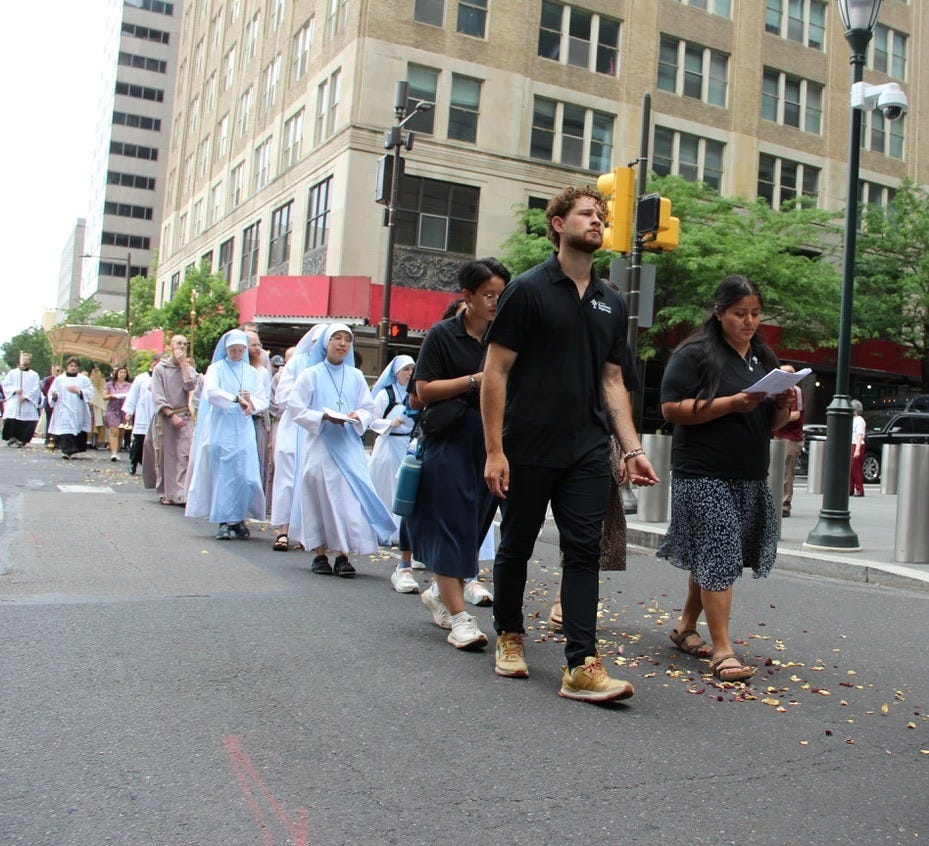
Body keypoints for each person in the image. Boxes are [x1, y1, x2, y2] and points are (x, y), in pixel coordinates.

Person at [482, 186, 658, 703]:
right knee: (517, 543)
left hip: (587, 448)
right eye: (586, 213)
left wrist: (631, 448)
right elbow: (495, 371)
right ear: (558, 225)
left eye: (601, 215)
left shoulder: (611, 301)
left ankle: (581, 663)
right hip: (527, 443)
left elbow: (612, 380)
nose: (597, 220)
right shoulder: (527, 290)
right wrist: (495, 450)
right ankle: (509, 634)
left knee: (583, 550)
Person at [656, 275, 793, 683]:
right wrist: (730, 404)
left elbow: (774, 422)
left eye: (755, 313)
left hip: (749, 473)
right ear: (719, 313)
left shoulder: (763, 355)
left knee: (716, 551)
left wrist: (783, 402)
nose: (749, 322)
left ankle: (685, 626)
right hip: (703, 472)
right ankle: (722, 650)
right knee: (719, 552)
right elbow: (670, 409)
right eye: (739, 314)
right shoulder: (695, 352)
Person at [407, 258, 509, 650]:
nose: (495, 302)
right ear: (467, 295)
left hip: (493, 443)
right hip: (450, 439)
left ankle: (439, 592)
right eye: (488, 295)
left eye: (500, 295)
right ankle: (460, 619)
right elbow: (422, 391)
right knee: (451, 522)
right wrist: (474, 381)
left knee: (474, 525)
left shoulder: (506, 335)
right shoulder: (442, 335)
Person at [287, 323, 396, 577]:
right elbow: (296, 408)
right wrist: (323, 417)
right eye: (337, 338)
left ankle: (343, 554)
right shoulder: (310, 375)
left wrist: (357, 416)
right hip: (320, 446)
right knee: (319, 498)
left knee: (347, 502)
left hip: (347, 447)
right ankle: (320, 553)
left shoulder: (356, 376)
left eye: (347, 339)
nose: (342, 343)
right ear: (326, 343)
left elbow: (368, 408)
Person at [185, 330, 268, 540]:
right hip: (221, 426)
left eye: (240, 350)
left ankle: (239, 518)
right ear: (226, 350)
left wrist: (251, 401)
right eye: (233, 350)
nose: (236, 354)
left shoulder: (252, 373)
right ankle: (223, 520)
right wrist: (234, 399)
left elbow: (263, 398)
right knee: (223, 475)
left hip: (243, 427)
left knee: (246, 475)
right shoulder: (216, 369)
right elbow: (211, 392)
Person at [270, 328, 324, 552]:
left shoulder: (332, 366)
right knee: (287, 477)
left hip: (318, 428)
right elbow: (282, 395)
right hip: (294, 426)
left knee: (311, 479)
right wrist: (306, 396)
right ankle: (283, 529)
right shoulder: (297, 362)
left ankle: (308, 533)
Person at [368, 354, 418, 592]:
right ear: (396, 372)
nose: (409, 373)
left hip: (407, 445)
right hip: (388, 446)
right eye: (406, 369)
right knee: (386, 488)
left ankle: (400, 533)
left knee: (403, 491)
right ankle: (382, 529)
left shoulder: (415, 393)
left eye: (412, 369)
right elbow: (371, 419)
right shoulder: (385, 394)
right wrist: (389, 424)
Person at [144, 335, 198, 506]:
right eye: (178, 343)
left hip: (184, 414)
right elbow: (157, 395)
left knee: (185, 454)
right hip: (166, 417)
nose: (182, 346)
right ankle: (166, 492)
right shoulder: (160, 369)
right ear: (171, 346)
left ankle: (181, 493)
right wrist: (170, 414)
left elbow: (190, 386)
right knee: (166, 456)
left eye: (185, 344)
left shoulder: (188, 368)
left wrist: (183, 364)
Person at [48, 357, 95, 459]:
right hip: (63, 408)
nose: (73, 368)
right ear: (67, 366)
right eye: (71, 366)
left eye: (75, 366)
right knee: (66, 431)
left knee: (77, 431)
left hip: (78, 409)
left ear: (78, 367)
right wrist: (54, 395)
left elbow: (90, 392)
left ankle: (72, 449)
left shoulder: (84, 379)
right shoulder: (59, 379)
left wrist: (79, 391)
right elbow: (53, 392)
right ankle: (67, 451)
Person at [773, 365, 804, 517]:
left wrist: (777, 416)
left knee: (786, 472)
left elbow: (797, 414)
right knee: (776, 471)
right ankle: (776, 503)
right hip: (778, 434)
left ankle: (785, 505)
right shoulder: (777, 389)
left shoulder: (795, 391)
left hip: (791, 437)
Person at [246, 330, 273, 498]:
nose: (257, 348)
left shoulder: (262, 372)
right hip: (236, 421)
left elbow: (265, 398)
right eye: (253, 345)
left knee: (257, 461)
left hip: (256, 420)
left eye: (259, 345)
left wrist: (252, 403)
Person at [2, 352, 42, 448]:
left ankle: (22, 439)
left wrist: (26, 397)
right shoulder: (12, 373)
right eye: (23, 359)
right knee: (12, 419)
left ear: (30, 361)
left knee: (27, 422)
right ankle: (12, 437)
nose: (25, 361)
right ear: (20, 360)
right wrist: (15, 390)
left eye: (27, 359)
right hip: (15, 400)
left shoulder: (34, 375)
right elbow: (6, 385)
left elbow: (36, 388)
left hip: (27, 402)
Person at [122, 362, 155, 475]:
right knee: (139, 440)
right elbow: (133, 395)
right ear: (152, 364)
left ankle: (151, 466)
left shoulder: (164, 377)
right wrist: (129, 411)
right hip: (143, 413)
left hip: (157, 413)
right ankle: (133, 463)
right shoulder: (141, 378)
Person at [102, 365, 132, 461]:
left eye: (124, 372)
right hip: (113, 409)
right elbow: (104, 396)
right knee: (114, 431)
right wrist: (112, 395)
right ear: (116, 373)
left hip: (124, 410)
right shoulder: (110, 384)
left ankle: (117, 449)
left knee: (121, 432)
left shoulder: (130, 385)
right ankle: (114, 453)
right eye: (120, 372)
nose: (122, 374)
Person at [40, 365, 61, 447]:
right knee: (49, 422)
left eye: (59, 370)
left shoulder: (63, 380)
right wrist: (52, 395)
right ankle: (49, 439)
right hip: (49, 404)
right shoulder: (48, 380)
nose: (58, 372)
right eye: (56, 370)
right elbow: (44, 390)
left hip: (60, 405)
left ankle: (58, 440)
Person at [850, 399, 866, 496]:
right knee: (851, 468)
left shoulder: (859, 420)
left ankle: (859, 489)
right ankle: (851, 488)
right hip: (853, 444)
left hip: (856, 444)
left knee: (855, 468)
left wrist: (857, 450)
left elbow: (860, 435)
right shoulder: (854, 420)